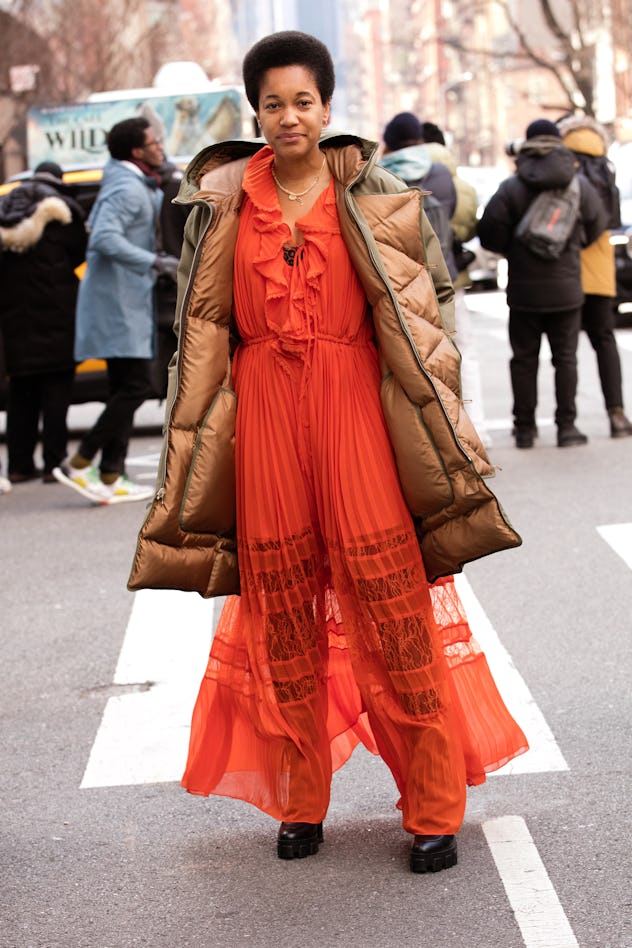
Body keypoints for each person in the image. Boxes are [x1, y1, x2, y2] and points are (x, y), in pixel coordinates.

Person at [128, 31, 527, 873]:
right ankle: (300, 799)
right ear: (256, 112)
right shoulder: (222, 204)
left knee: (390, 606)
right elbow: (198, 329)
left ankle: (432, 807)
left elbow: (431, 300)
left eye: (302, 100)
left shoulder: (373, 190)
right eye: (272, 103)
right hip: (266, 411)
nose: (288, 117)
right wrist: (192, 430)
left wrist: (436, 401)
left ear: (327, 106)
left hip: (353, 410)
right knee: (283, 615)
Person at [53, 118, 178, 504]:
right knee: (137, 385)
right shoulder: (126, 186)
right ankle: (79, 459)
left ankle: (110, 472)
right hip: (118, 303)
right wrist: (153, 261)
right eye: (154, 142)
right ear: (136, 151)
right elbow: (104, 237)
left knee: (123, 385)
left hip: (123, 301)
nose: (160, 146)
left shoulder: (133, 181)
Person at [478, 119, 607, 448]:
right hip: (566, 287)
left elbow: (489, 232)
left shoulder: (511, 186)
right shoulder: (577, 183)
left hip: (523, 289)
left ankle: (524, 429)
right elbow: (597, 223)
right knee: (565, 358)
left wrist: (515, 250)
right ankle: (567, 428)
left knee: (523, 358)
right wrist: (570, 246)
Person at [0, 161, 87, 483]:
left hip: (14, 319)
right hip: (58, 314)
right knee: (56, 391)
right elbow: (80, 252)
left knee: (20, 392)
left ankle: (19, 465)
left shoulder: (6, 207)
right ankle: (54, 463)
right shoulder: (63, 210)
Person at [419, 121, 493, 447]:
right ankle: (477, 428)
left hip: (414, 280)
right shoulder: (461, 185)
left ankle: (436, 432)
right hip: (454, 279)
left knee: (422, 356)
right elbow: (472, 229)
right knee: (465, 351)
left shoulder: (395, 175)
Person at [559, 114, 632, 439]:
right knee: (604, 341)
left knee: (567, 349)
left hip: (568, 266)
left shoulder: (562, 163)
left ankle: (568, 422)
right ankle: (617, 415)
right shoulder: (606, 165)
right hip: (600, 267)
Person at [379, 111, 457, 277]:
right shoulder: (442, 173)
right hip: (441, 273)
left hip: (401, 278)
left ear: (388, 143)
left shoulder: (378, 177)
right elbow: (452, 212)